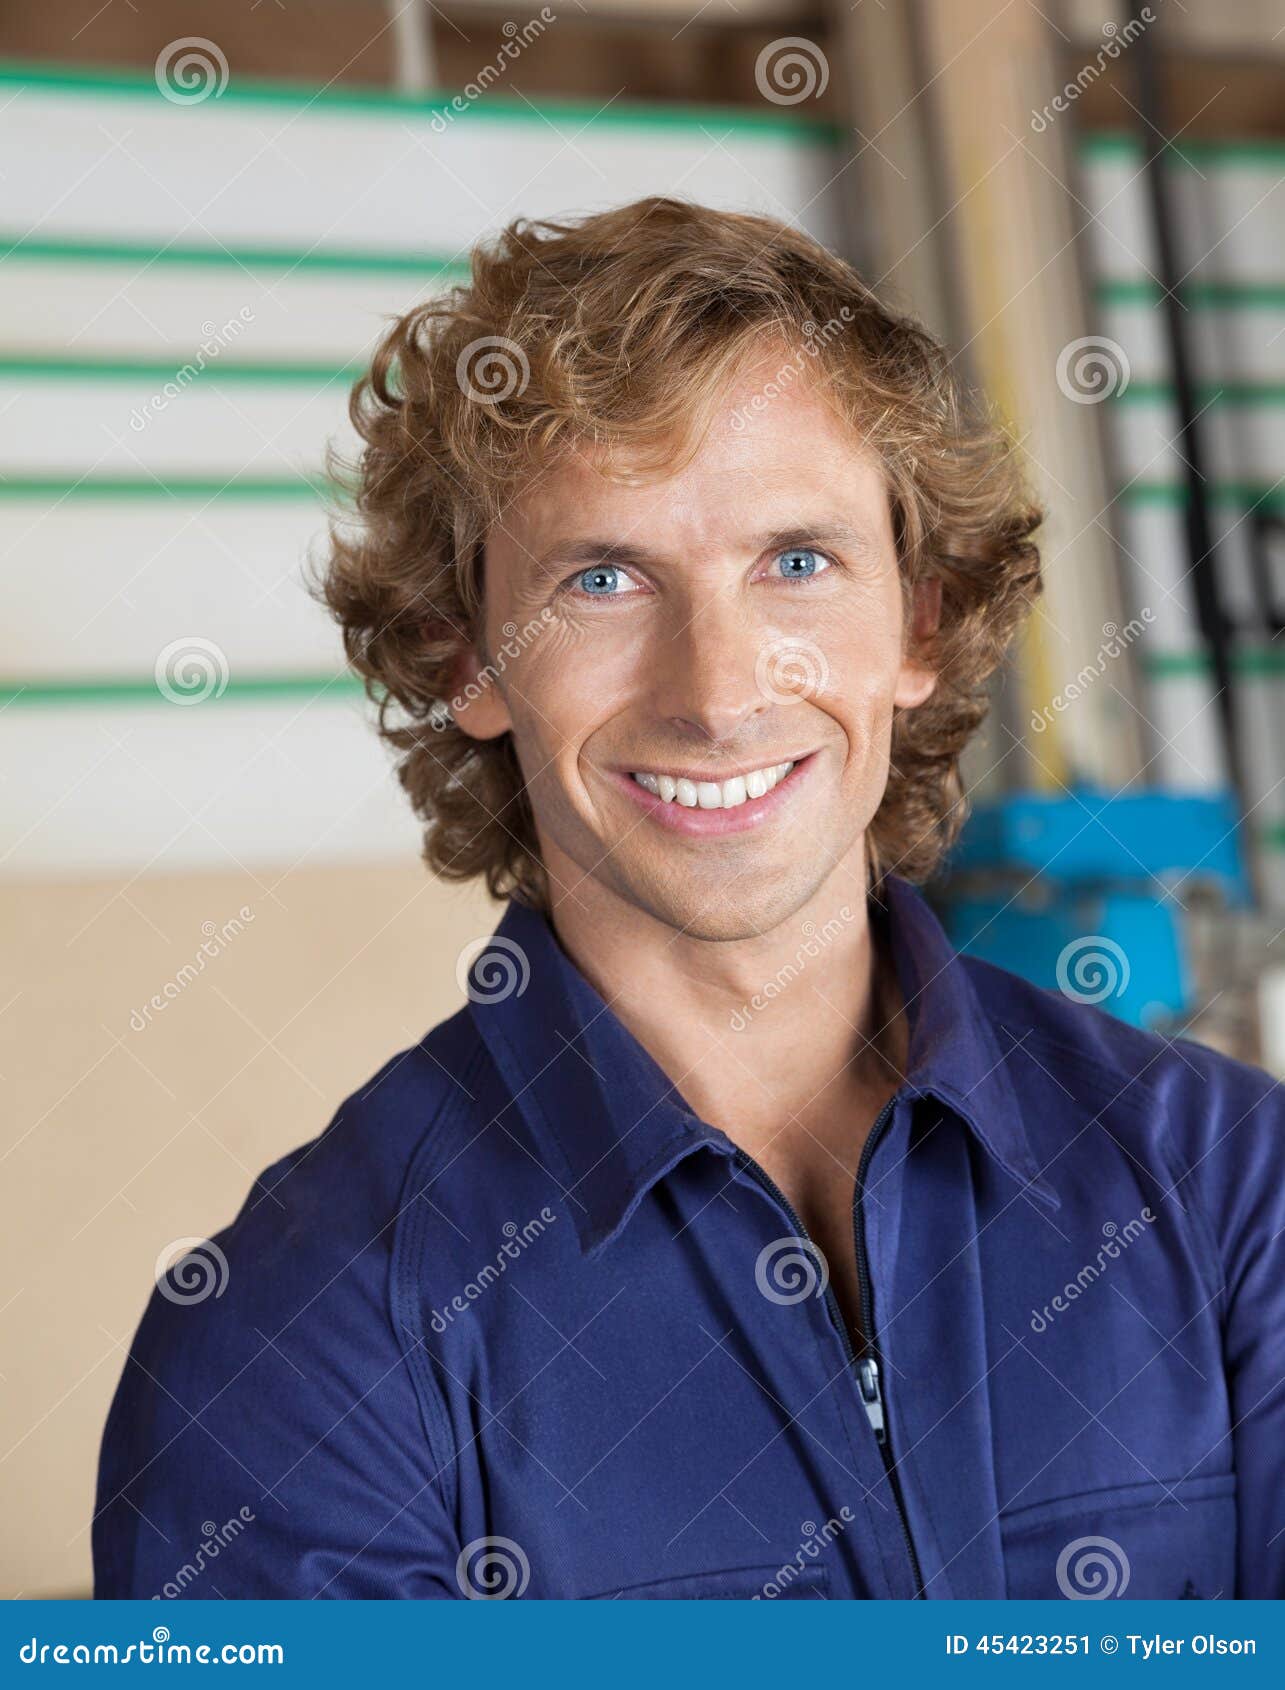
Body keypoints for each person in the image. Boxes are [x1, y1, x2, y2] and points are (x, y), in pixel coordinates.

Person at [95, 198, 1283, 1600]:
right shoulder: (300, 1346)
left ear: (916, 618)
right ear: (464, 654)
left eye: (796, 561)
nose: (716, 694)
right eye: (602, 579)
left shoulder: (1224, 1190)